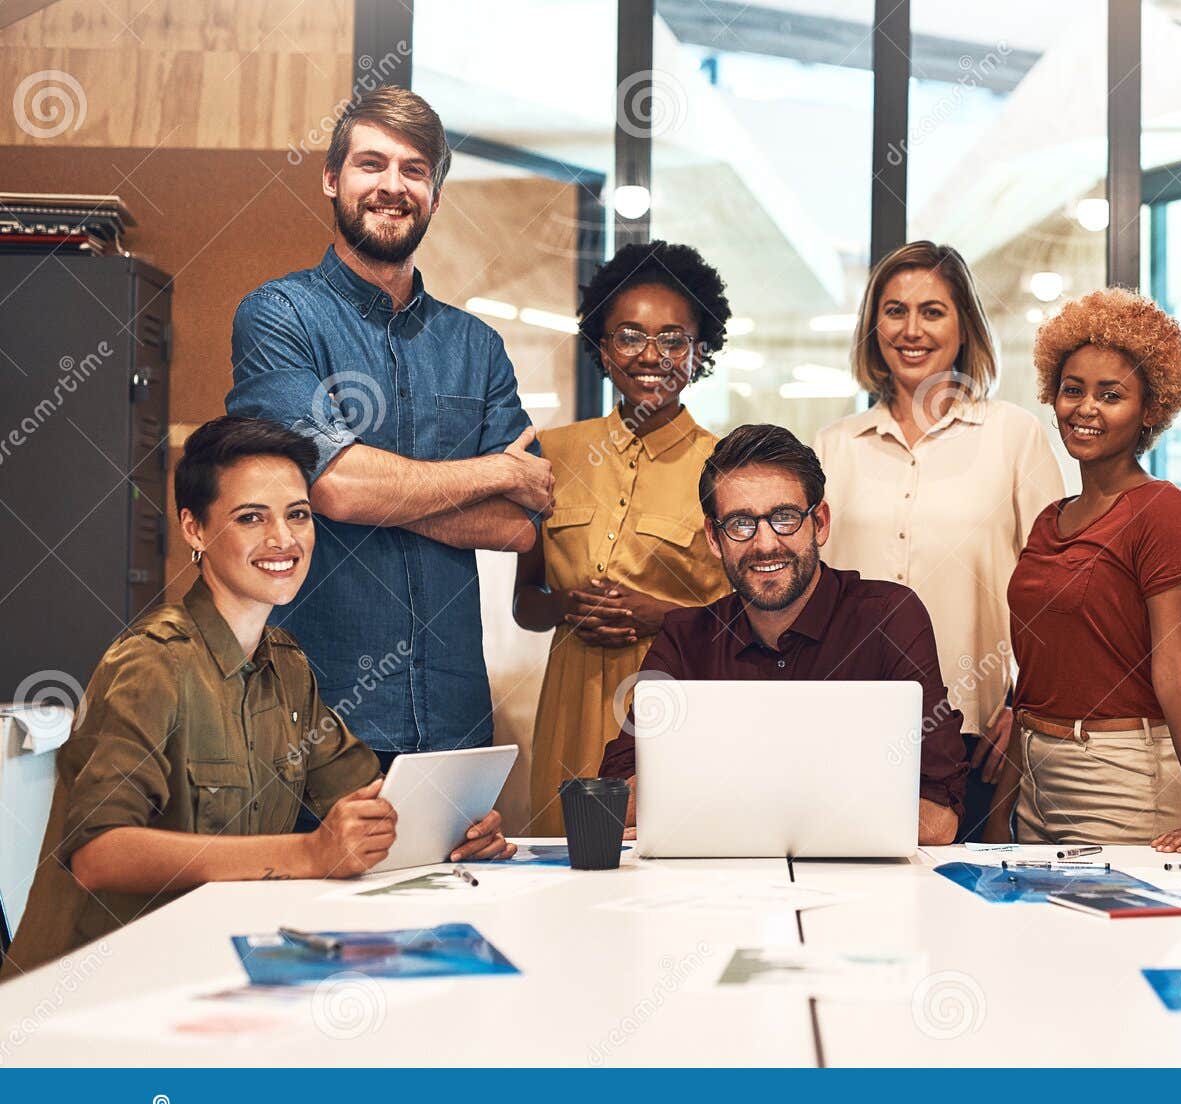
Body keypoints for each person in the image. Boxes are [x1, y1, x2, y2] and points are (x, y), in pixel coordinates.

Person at [2, 418, 512, 975]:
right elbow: (98, 855)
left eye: (297, 514)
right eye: (251, 518)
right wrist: (308, 854)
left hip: (210, 964)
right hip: (90, 990)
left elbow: (369, 799)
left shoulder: (285, 663)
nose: (284, 540)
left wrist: (459, 828)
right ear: (194, 529)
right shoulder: (151, 663)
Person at [227, 85, 553, 767]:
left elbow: (520, 524)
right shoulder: (278, 318)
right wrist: (492, 472)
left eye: (414, 170)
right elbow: (337, 490)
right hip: (315, 719)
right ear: (331, 178)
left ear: (435, 195)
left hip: (454, 716)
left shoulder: (477, 347)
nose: (392, 185)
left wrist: (376, 490)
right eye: (371, 164)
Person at [598, 424, 966, 845]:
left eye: (785, 518)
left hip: (864, 896)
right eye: (740, 523)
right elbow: (615, 799)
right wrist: (834, 795)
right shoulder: (685, 639)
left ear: (820, 523)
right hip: (720, 896)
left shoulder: (889, 619)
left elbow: (938, 820)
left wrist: (716, 794)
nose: (765, 543)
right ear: (715, 539)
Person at [815, 241, 1063, 840]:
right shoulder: (832, 445)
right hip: (845, 722)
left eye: (933, 311)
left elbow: (1056, 590)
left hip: (972, 733)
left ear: (963, 326)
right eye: (895, 310)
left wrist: (1022, 706)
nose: (911, 329)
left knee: (962, 913)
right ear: (874, 326)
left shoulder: (1014, 437)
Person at [987, 288, 1181, 853]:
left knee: (1112, 940)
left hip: (1122, 776)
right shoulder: (1051, 519)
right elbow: (1036, 672)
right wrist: (1004, 803)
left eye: (1111, 395)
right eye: (1072, 390)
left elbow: (1177, 667)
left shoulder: (1163, 513)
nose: (1086, 408)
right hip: (1033, 770)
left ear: (1150, 410)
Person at [512, 242, 732, 834]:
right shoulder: (550, 453)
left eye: (674, 339)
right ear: (602, 350)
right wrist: (567, 607)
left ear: (699, 351)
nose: (651, 356)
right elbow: (525, 604)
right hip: (570, 701)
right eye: (630, 336)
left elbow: (755, 620)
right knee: (567, 869)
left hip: (677, 700)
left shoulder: (726, 467)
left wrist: (664, 616)